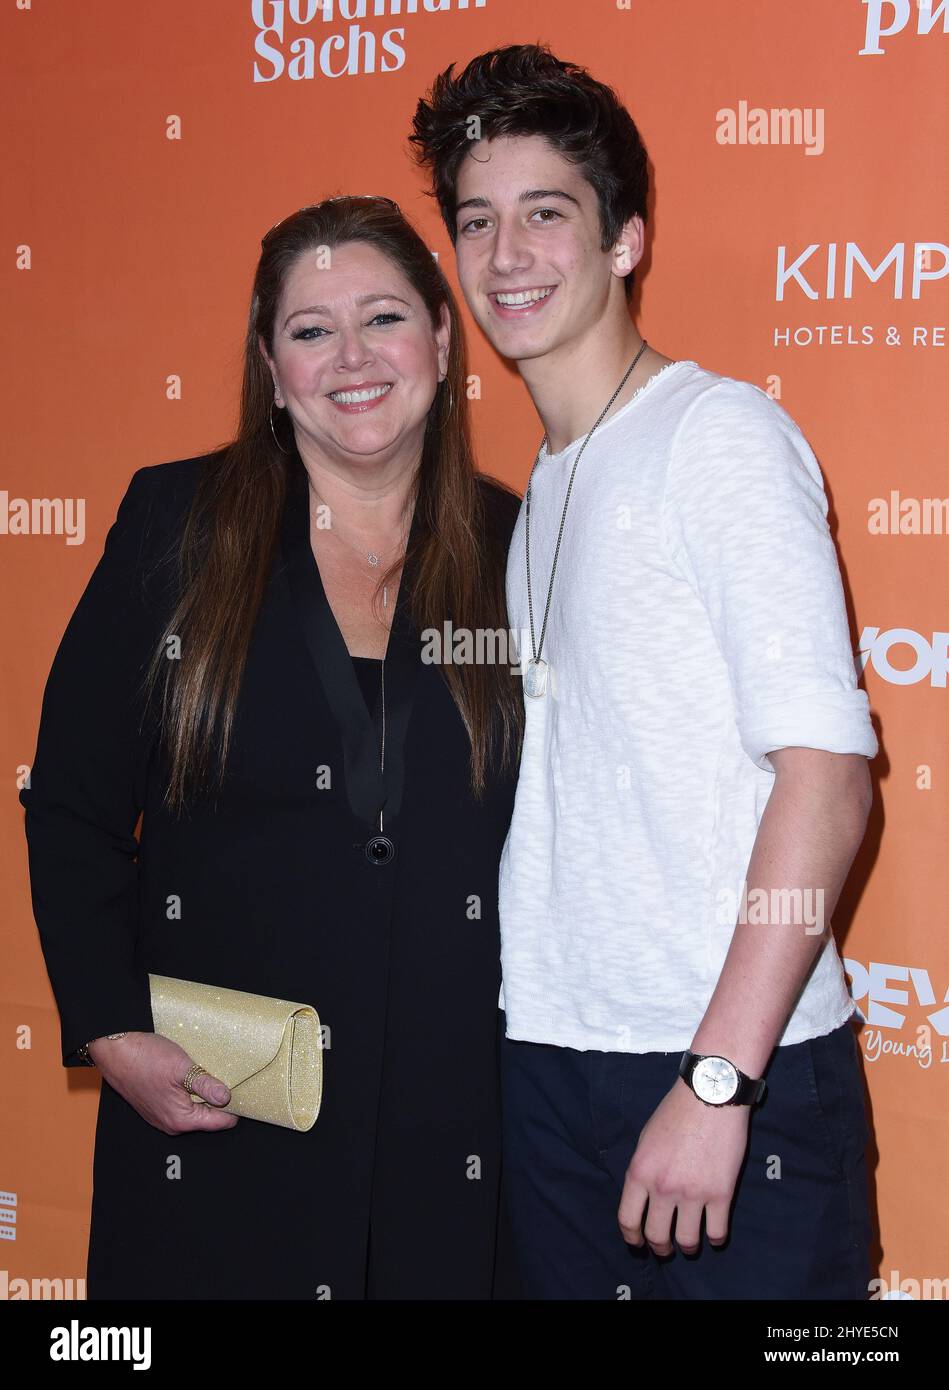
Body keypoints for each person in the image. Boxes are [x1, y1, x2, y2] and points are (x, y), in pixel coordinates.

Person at [410, 45, 878, 1300]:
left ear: (624, 239)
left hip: (730, 1072)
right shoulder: (543, 491)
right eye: (476, 220)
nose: (506, 255)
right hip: (555, 1064)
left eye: (545, 213)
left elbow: (828, 782)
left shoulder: (716, 437)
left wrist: (718, 1078)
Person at [20, 195, 525, 1300]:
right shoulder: (176, 524)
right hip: (222, 1103)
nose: (351, 357)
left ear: (442, 339)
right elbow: (71, 803)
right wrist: (111, 1028)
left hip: (452, 1118)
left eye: (384, 317)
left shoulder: (515, 546)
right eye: (310, 329)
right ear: (269, 358)